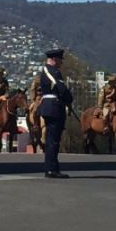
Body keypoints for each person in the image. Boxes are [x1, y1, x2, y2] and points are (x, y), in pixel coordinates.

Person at [37, 48, 74, 178]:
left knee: (52, 140)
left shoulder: (47, 71)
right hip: (53, 107)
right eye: (59, 60)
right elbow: (61, 89)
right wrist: (69, 99)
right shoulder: (52, 71)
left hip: (50, 107)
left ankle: (52, 167)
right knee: (53, 140)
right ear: (54, 59)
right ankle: (51, 169)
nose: (61, 62)